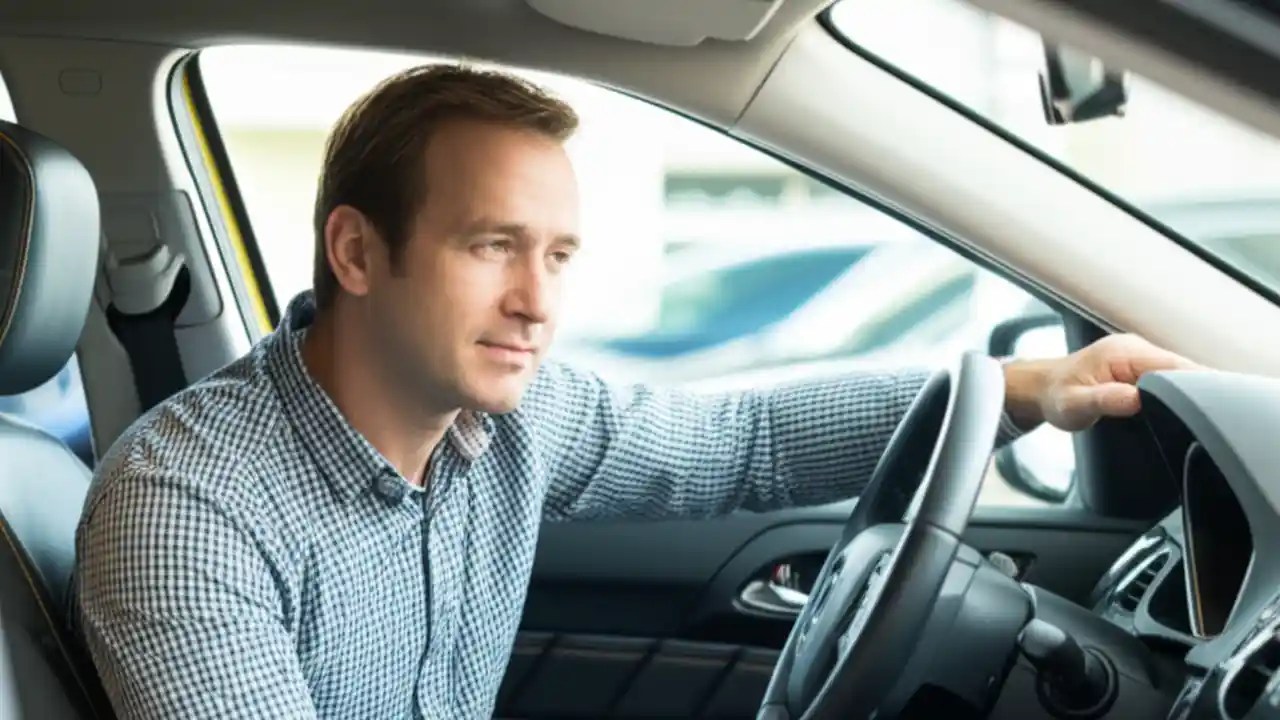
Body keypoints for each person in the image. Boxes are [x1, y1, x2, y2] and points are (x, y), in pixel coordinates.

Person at [72, 64, 1198, 719]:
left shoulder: (497, 423)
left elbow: (741, 442)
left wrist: (1019, 387)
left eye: (555, 256)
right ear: (358, 255)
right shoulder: (185, 509)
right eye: (490, 246)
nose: (534, 301)